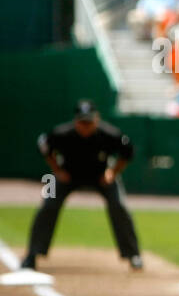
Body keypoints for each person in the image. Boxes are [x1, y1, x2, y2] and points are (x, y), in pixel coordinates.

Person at [23, 100, 142, 272]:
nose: (85, 126)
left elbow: (127, 152)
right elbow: (44, 146)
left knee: (119, 206)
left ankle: (133, 255)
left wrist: (112, 173)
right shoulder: (62, 133)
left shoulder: (110, 134)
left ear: (97, 119)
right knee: (48, 205)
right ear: (75, 121)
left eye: (89, 122)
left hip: (101, 176)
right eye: (82, 122)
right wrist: (56, 170)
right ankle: (32, 254)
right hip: (68, 175)